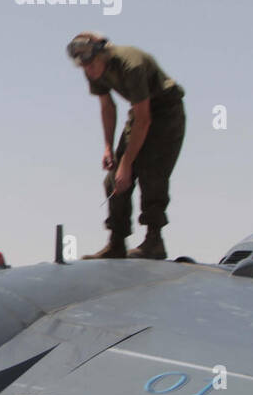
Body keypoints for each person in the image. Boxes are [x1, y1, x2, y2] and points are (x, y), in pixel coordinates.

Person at [66, 33, 186, 259]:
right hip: (139, 114)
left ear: (103, 54)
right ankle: (117, 242)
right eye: (83, 66)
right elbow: (107, 107)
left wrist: (127, 164)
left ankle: (154, 240)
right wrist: (109, 148)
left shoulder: (131, 64)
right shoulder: (92, 70)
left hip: (166, 113)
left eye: (91, 64)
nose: (88, 70)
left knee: (151, 172)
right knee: (114, 178)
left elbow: (145, 119)